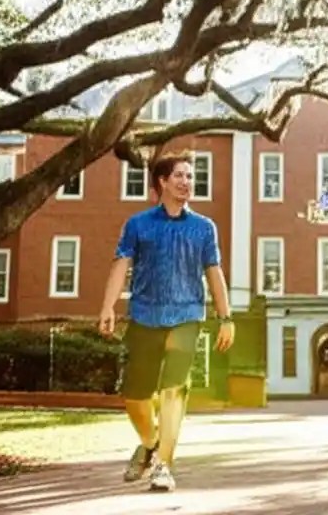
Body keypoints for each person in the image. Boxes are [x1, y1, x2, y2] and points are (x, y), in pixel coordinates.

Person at [97, 151, 235, 493]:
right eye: (180, 176)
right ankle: (150, 442)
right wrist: (108, 306)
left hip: (187, 314)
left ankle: (164, 465)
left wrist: (226, 317)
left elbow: (214, 272)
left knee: (175, 388)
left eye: (191, 176)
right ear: (162, 181)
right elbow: (120, 264)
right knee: (135, 396)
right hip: (144, 315)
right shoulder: (138, 224)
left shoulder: (204, 228)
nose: (188, 182)